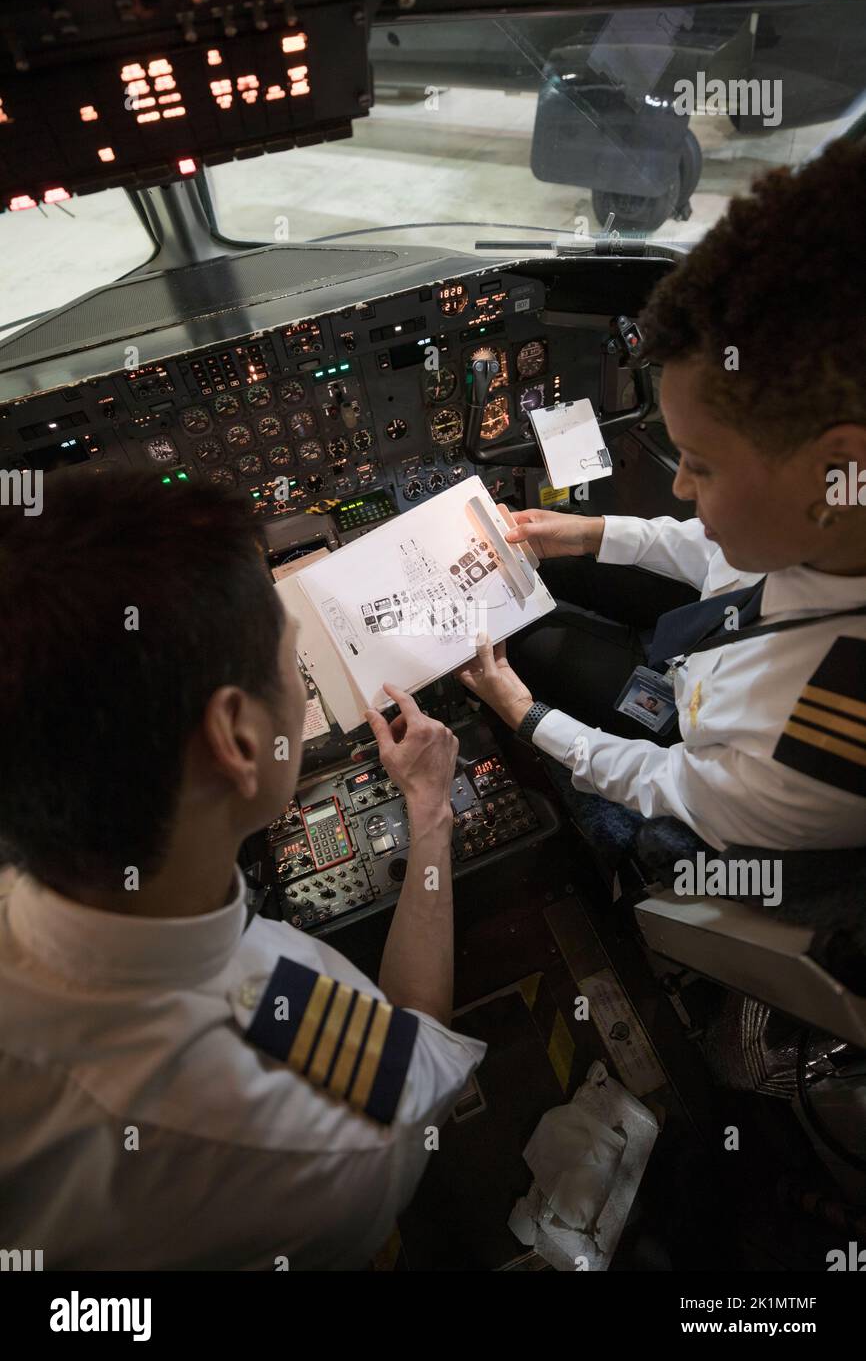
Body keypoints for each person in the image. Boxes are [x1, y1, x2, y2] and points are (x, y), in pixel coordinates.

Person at [0, 473, 484, 1270]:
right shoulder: (318, 1113)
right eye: (293, 666)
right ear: (236, 737)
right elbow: (418, 1045)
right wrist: (428, 814)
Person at [457, 140, 866, 853]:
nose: (679, 486)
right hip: (716, 646)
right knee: (542, 561)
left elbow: (666, 781)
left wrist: (522, 714)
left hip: (698, 741)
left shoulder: (817, 745)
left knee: (535, 647)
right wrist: (584, 534)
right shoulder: (827, 520)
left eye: (702, 466)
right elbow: (714, 552)